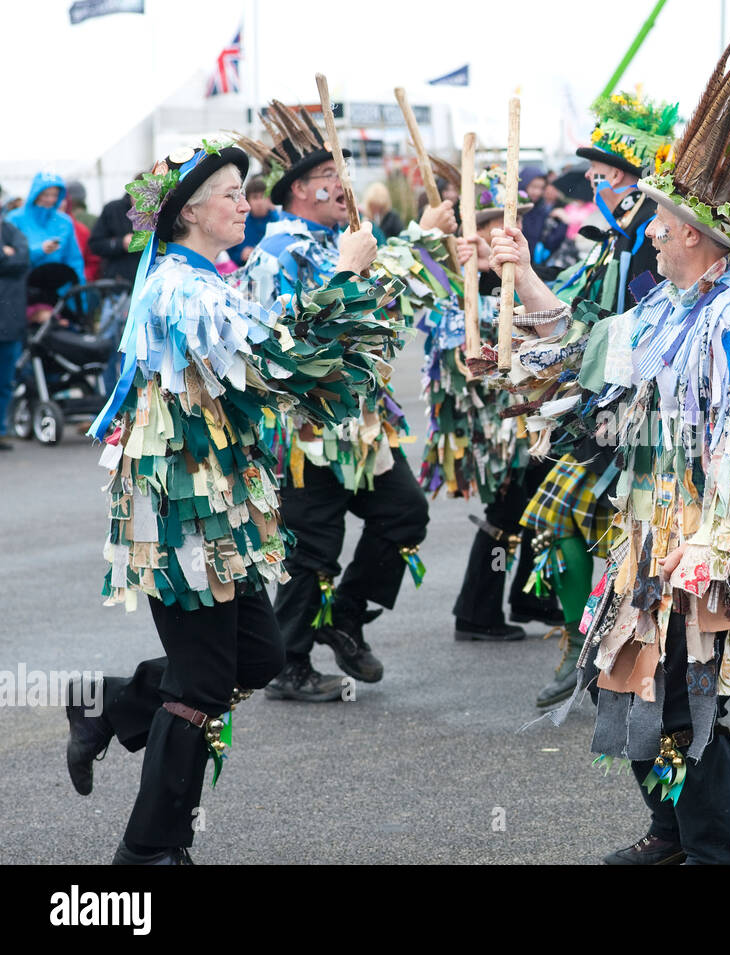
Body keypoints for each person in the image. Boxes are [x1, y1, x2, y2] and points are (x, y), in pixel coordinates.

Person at [481, 5, 730, 864]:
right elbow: (588, 356)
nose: (648, 231)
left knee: (699, 693)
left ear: (693, 234)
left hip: (713, 541)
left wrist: (719, 545)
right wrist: (522, 278)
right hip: (649, 531)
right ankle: (670, 832)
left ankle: (720, 852)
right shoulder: (665, 305)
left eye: (659, 221)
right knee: (631, 671)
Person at [64, 142, 388, 863]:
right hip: (181, 514)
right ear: (187, 213)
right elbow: (276, 364)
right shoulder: (183, 289)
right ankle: (149, 849)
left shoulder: (206, 279)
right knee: (205, 680)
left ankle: (110, 704)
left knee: (259, 652)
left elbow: (273, 352)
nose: (247, 204)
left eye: (245, 192)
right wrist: (343, 275)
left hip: (216, 510)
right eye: (232, 193)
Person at [233, 102, 444, 700]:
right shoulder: (276, 251)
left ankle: (344, 615)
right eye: (331, 176)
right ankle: (287, 664)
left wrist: (430, 237)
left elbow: (386, 295)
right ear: (300, 190)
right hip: (306, 426)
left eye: (346, 173)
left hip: (363, 426)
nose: (344, 185)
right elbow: (281, 340)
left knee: (405, 514)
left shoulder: (339, 241)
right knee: (312, 545)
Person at [522, 89, 675, 708]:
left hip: (655, 413)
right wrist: (517, 321)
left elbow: (625, 331)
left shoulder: (656, 239)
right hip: (606, 406)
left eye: (601, 175)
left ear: (632, 178)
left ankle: (647, 659)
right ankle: (580, 642)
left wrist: (555, 339)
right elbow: (572, 308)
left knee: (642, 538)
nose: (591, 184)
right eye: (590, 175)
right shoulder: (612, 240)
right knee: (558, 519)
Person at [429, 164, 561, 642]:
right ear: (483, 227)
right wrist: (476, 270)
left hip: (522, 413)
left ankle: (528, 596)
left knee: (528, 505)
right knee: (505, 515)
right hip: (494, 422)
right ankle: (477, 612)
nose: (518, 227)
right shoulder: (462, 276)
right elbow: (454, 339)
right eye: (509, 219)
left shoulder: (508, 269)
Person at [7, 172, 84, 283]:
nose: (50, 199)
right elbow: (9, 256)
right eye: (45, 194)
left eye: (55, 195)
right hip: (24, 288)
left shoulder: (64, 221)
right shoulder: (14, 219)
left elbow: (74, 259)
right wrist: (40, 250)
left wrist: (79, 292)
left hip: (58, 288)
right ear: (35, 193)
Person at [0, 191, 30, 451]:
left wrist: (9, 255)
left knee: (5, 379)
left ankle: (0, 430)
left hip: (9, 319)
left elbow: (23, 256)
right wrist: (6, 255)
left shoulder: (10, 229)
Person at [88, 179, 144, 284]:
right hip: (119, 282)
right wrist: (121, 243)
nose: (142, 199)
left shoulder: (158, 212)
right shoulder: (113, 209)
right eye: (138, 193)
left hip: (148, 280)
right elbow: (95, 245)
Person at [224, 175, 279, 264]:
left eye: (262, 196)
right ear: (247, 201)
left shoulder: (278, 223)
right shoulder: (240, 224)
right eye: (255, 197)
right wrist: (241, 255)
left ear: (269, 199)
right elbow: (229, 255)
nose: (259, 202)